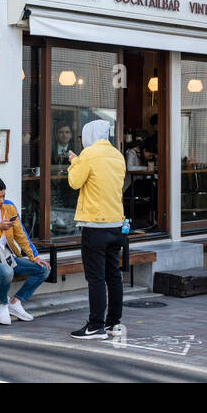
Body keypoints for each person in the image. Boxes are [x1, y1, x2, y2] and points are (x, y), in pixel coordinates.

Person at [66, 119, 126, 339]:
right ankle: (114, 323)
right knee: (114, 276)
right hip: (116, 223)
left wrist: (74, 162)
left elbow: (74, 182)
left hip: (95, 225)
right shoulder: (117, 155)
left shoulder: (89, 155)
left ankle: (95, 325)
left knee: (96, 278)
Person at [0, 177, 51, 325]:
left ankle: (15, 301)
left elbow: (21, 234)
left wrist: (35, 257)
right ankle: (1, 305)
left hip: (6, 256)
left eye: (3, 196)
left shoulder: (9, 207)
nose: (1, 201)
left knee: (43, 269)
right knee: (7, 272)